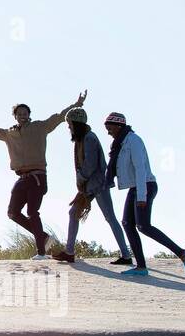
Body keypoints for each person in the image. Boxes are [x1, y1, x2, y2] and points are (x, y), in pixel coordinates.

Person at [0, 90, 87, 260]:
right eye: (19, 114)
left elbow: (59, 116)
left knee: (32, 211)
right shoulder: (9, 134)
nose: (22, 116)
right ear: (15, 116)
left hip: (38, 176)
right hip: (21, 178)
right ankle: (44, 238)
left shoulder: (40, 127)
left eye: (25, 113)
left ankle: (41, 252)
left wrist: (77, 104)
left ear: (29, 115)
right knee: (12, 212)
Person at [102, 112, 185, 277]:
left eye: (109, 128)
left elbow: (140, 168)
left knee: (143, 226)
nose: (108, 132)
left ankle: (182, 253)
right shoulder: (120, 144)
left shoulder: (133, 140)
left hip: (145, 185)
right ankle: (141, 267)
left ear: (118, 126)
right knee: (127, 223)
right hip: (135, 187)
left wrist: (142, 197)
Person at [50, 108, 133, 264]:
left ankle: (126, 255)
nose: (69, 128)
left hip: (97, 185)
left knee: (108, 218)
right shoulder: (83, 139)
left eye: (70, 124)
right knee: (75, 212)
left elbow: (90, 165)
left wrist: (80, 179)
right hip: (90, 185)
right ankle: (69, 251)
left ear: (76, 123)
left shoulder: (88, 138)